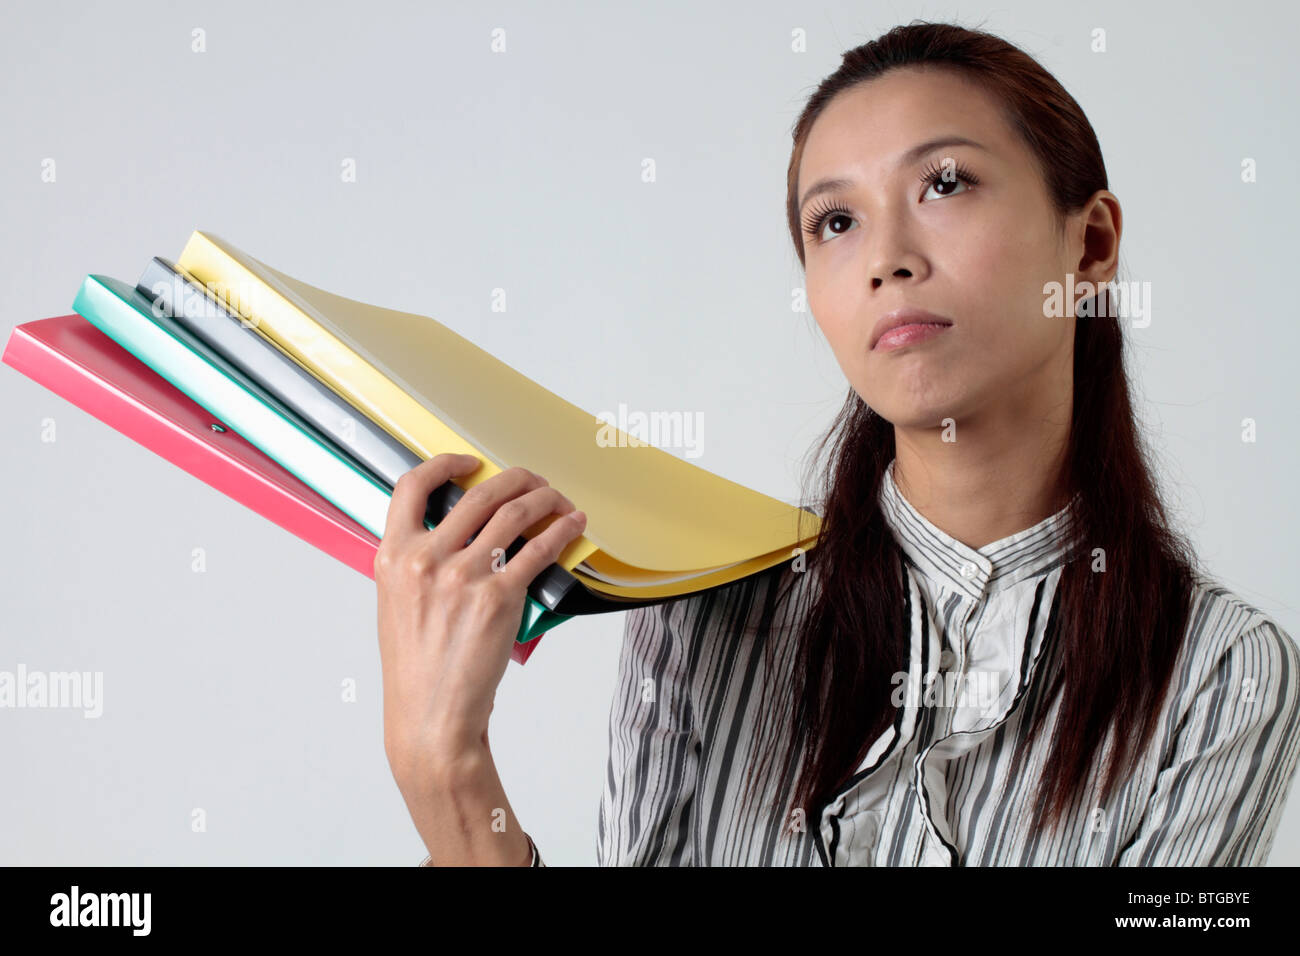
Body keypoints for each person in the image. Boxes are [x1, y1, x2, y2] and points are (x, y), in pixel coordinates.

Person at [375, 20, 1300, 866]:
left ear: (1090, 245)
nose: (886, 258)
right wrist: (446, 774)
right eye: (836, 221)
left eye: (945, 183)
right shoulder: (701, 605)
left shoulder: (1225, 675)